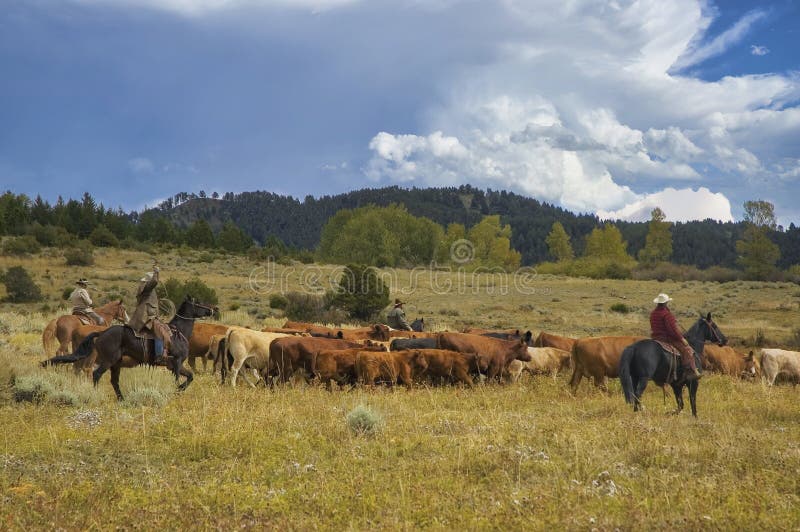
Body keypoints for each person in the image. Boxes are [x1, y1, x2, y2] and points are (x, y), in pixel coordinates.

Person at [650, 293, 701, 381]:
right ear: (666, 303)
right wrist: (681, 338)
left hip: (656, 338)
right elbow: (672, 331)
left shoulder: (653, 313)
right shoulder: (666, 314)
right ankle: (690, 372)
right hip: (667, 338)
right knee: (686, 351)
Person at [128, 264, 169, 365]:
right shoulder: (147, 287)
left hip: (150, 315)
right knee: (158, 332)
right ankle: (159, 356)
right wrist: (156, 272)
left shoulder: (146, 289)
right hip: (147, 317)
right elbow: (154, 282)